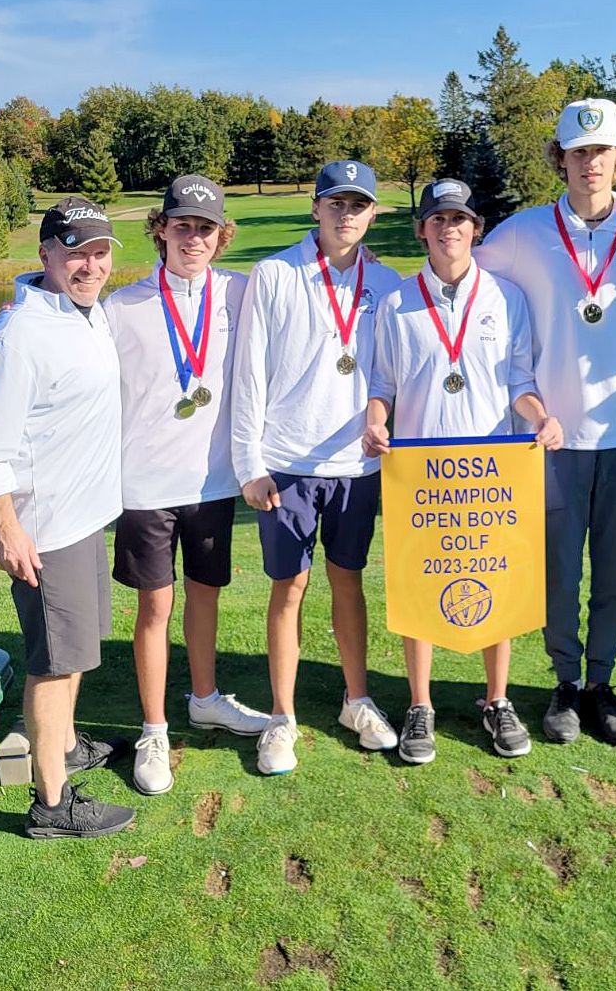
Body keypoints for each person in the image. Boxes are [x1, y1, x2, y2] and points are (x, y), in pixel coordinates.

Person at [474, 98, 616, 745]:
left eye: (601, 152)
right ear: (561, 160)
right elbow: (462, 277)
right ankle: (565, 684)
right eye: (578, 153)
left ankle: (602, 683)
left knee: (615, 571)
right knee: (557, 572)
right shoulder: (524, 231)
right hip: (551, 440)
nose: (590, 164)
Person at [364, 178, 563, 763]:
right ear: (422, 228)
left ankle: (497, 700)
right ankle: (419, 705)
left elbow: (519, 382)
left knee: (493, 577)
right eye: (438, 219)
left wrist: (542, 418)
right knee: (417, 583)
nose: (450, 228)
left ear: (475, 227)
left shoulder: (507, 299)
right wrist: (376, 423)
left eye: (460, 219)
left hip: (489, 472)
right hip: (421, 476)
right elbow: (383, 386)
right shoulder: (397, 303)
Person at [0, 197, 134, 838]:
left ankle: (61, 745)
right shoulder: (18, 335)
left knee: (78, 653)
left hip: (85, 518)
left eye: (98, 251)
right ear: (45, 255)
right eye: (74, 251)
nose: (88, 263)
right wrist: (6, 529)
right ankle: (53, 805)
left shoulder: (88, 317)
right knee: (54, 662)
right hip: (45, 529)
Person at [232, 161, 402, 776]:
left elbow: (394, 374)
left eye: (358, 205)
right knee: (290, 587)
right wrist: (249, 464)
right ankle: (282, 717)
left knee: (349, 581)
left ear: (373, 213)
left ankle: (357, 700)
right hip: (287, 463)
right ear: (316, 208)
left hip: (358, 463)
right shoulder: (275, 273)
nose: (346, 214)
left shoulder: (388, 283)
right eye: (335, 203)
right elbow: (247, 373)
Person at [102, 175, 269, 796]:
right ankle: (154, 729)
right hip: (142, 484)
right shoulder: (123, 307)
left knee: (206, 596)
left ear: (221, 235)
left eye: (205, 228)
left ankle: (203, 698)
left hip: (213, 480)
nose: (193, 237)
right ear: (161, 230)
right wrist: (24, 292)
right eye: (182, 225)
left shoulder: (241, 293)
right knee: (154, 607)